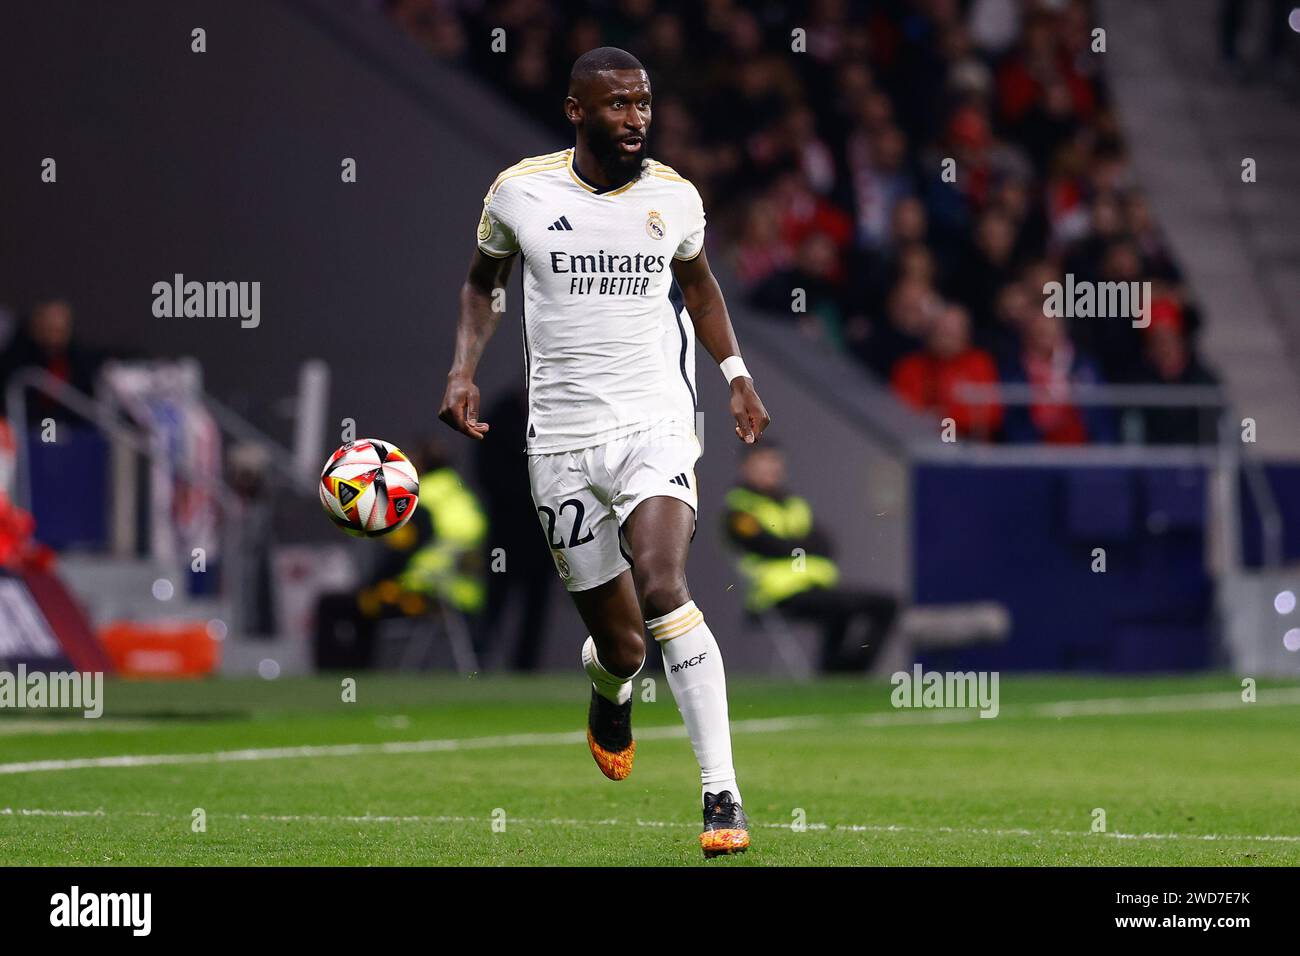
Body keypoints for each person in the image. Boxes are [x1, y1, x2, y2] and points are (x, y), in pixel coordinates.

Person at [438, 47, 770, 858]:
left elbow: (698, 285)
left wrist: (736, 374)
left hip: (655, 424)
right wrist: (462, 369)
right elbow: (483, 284)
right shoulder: (518, 193)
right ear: (576, 108)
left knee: (664, 586)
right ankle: (610, 686)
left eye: (644, 104)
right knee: (623, 643)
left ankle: (720, 793)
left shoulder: (674, 198)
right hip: (559, 442)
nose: (635, 119)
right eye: (618, 104)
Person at [723, 442, 897, 672]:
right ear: (746, 467)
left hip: (817, 588)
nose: (771, 468)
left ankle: (847, 673)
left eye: (775, 461)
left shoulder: (794, 504)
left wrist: (792, 544)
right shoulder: (740, 509)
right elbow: (770, 546)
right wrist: (799, 543)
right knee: (841, 608)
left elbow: (826, 544)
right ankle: (840, 675)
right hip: (776, 594)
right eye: (763, 462)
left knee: (886, 604)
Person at [314, 438, 486, 668]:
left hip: (421, 596)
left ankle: (337, 677)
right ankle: (358, 676)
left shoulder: (419, 502)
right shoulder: (464, 500)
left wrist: (367, 585)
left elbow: (398, 557)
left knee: (335, 605)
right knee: (367, 604)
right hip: (463, 599)